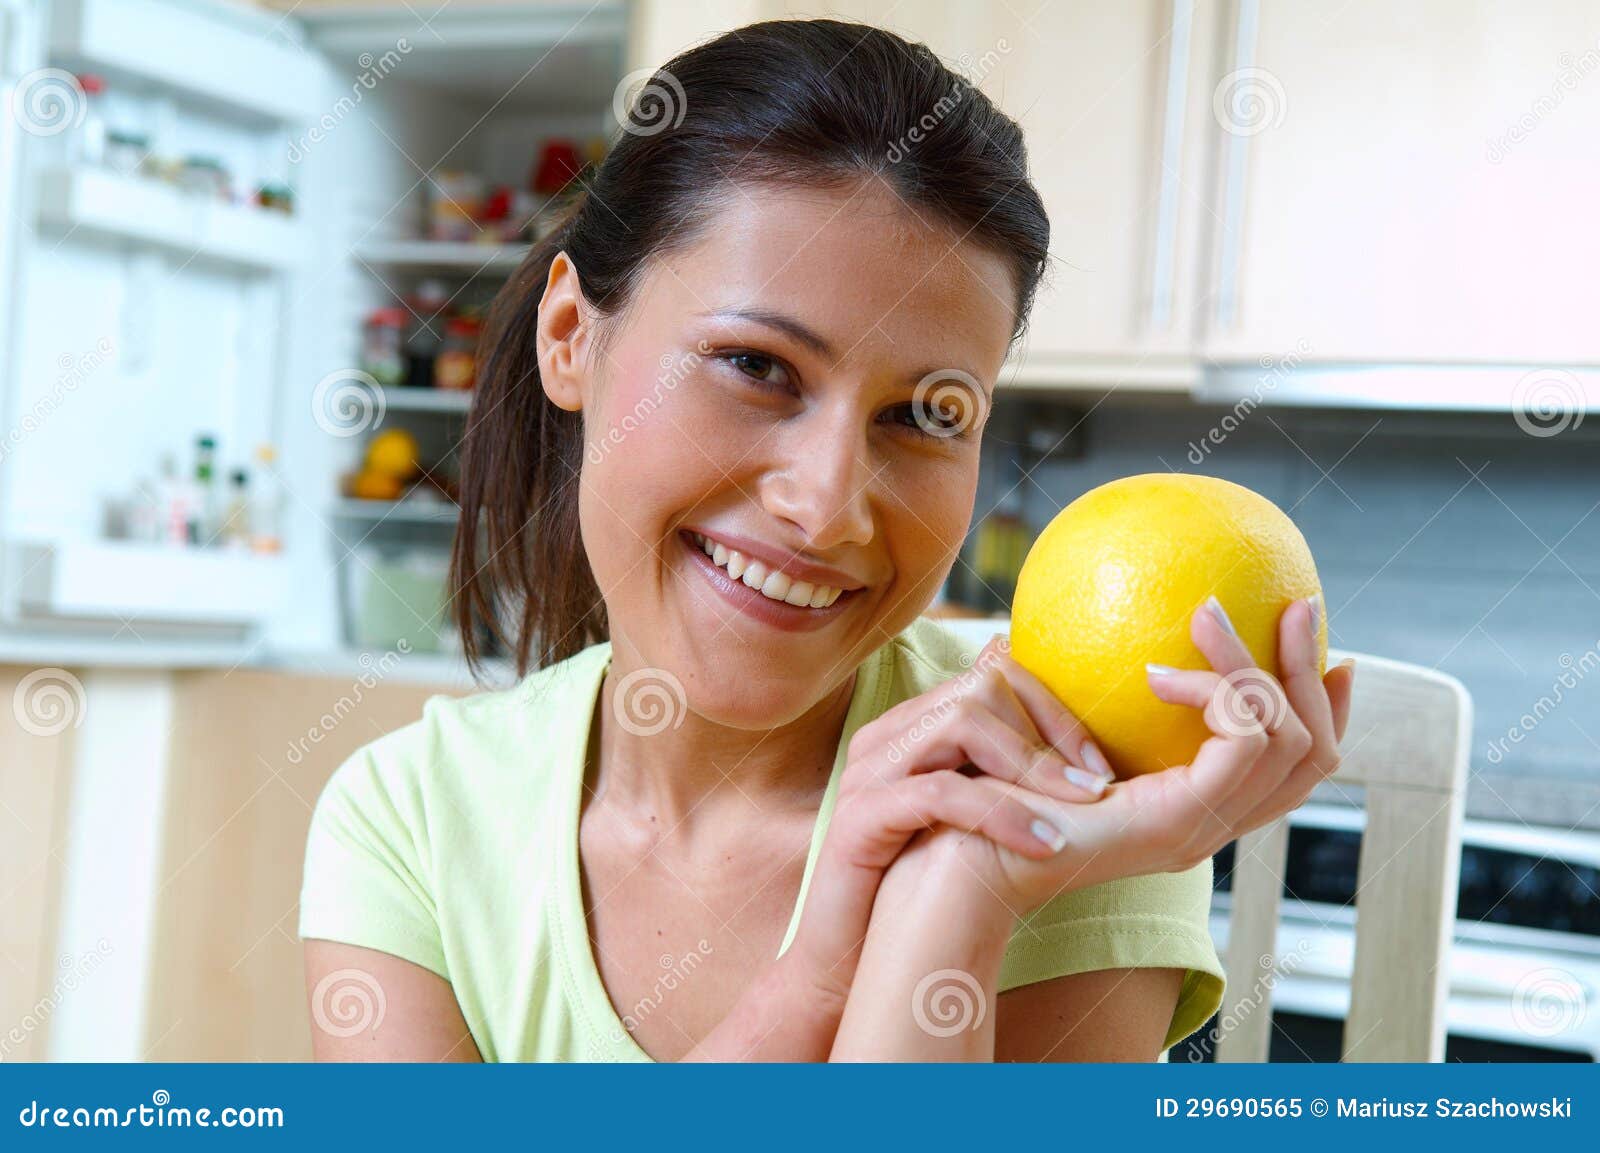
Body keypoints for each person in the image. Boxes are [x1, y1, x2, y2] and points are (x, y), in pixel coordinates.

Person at [300, 19, 1354, 1062]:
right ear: (572, 336)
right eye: (756, 366)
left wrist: (961, 887)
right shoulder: (409, 820)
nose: (828, 505)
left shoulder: (1059, 789)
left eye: (926, 415)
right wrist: (817, 977)